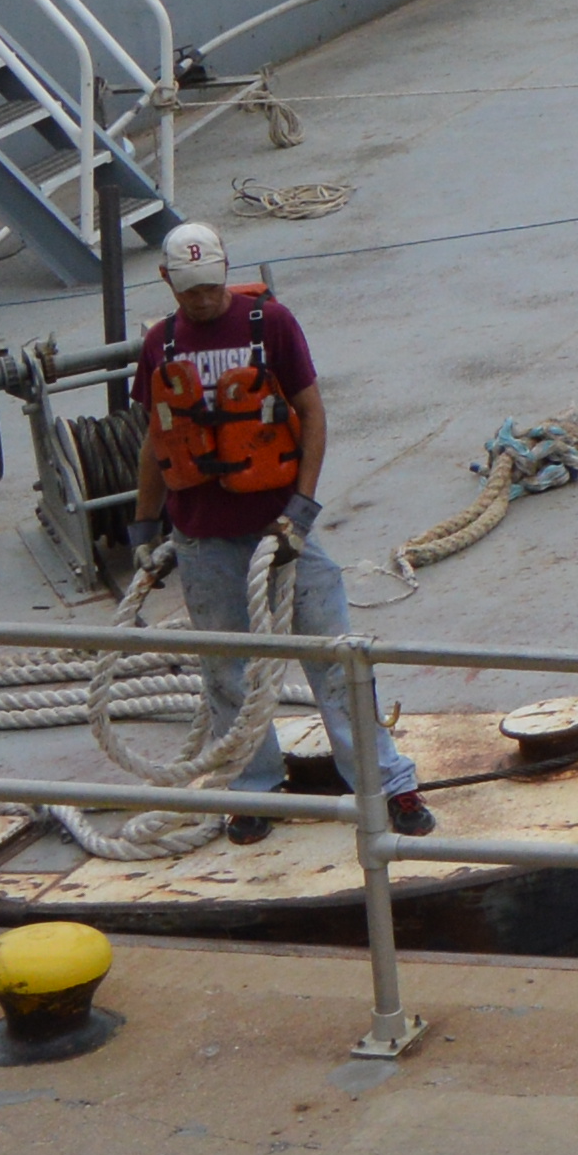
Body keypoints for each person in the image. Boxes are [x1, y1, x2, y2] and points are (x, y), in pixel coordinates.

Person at [133, 222, 429, 835]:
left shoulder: (272, 325)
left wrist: (302, 509)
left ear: (225, 271)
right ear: (168, 283)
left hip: (284, 536)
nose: (204, 301)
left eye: (212, 288)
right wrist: (143, 527)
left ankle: (386, 784)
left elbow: (312, 413)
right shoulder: (159, 345)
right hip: (204, 542)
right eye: (191, 293)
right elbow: (156, 440)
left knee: (337, 660)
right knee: (226, 674)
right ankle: (254, 790)